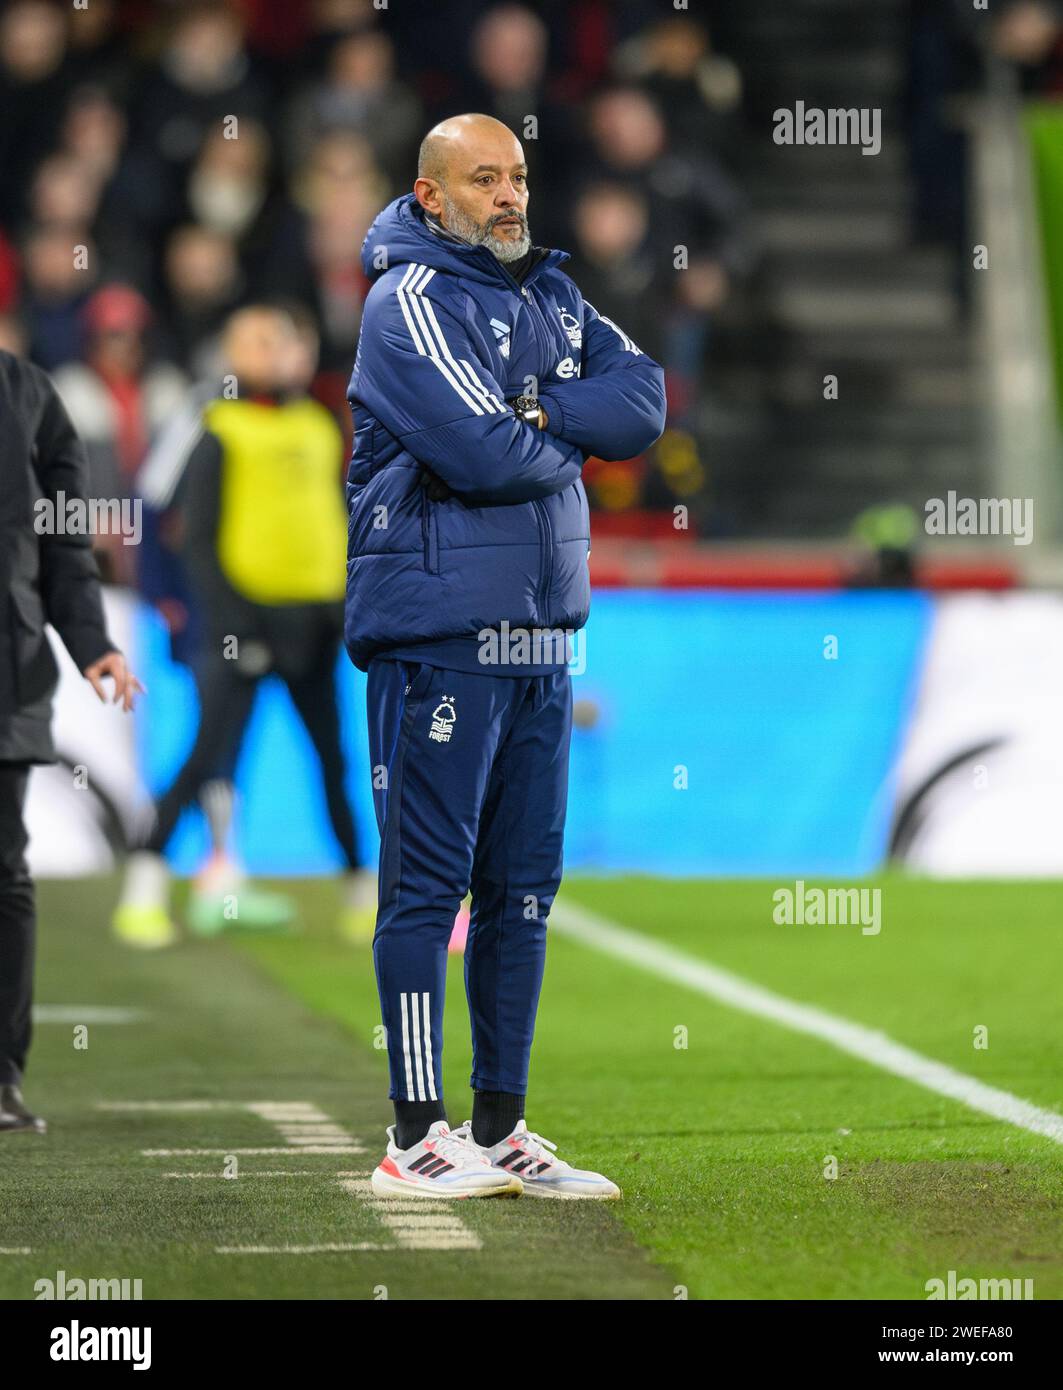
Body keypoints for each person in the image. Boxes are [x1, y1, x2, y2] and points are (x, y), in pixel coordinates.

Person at [345, 113, 666, 1198]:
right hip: (441, 627)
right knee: (427, 886)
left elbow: (646, 401)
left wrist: (537, 406)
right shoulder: (407, 301)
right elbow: (485, 457)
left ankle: (498, 1126)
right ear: (431, 195)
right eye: (484, 179)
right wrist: (556, 424)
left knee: (523, 888)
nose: (509, 195)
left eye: (518, 174)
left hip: (541, 630)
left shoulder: (553, 293)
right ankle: (411, 1134)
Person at [113, 305, 374, 947]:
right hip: (238, 624)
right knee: (207, 755)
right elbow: (187, 533)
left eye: (279, 340)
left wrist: (344, 611)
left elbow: (328, 526)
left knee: (333, 761)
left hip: (312, 626)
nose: (272, 352)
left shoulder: (319, 425)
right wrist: (212, 618)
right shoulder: (216, 424)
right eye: (255, 342)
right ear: (231, 354)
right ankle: (146, 891)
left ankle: (363, 896)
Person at [0, 348, 143, 1134]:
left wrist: (91, 641)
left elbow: (64, 544)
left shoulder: (26, 394)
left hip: (6, 674)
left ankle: (1, 1078)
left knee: (3, 872)